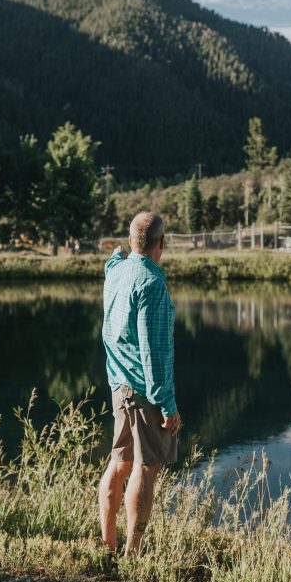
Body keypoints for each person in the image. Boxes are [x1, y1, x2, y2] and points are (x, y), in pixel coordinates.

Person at [98, 211, 181, 556]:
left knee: (119, 463)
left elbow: (112, 261)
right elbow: (153, 353)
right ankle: (132, 553)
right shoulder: (152, 286)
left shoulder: (116, 272)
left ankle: (107, 544)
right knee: (146, 468)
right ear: (162, 243)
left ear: (132, 241)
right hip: (145, 392)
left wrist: (117, 254)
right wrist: (168, 405)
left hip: (119, 385)